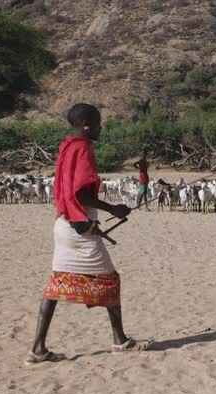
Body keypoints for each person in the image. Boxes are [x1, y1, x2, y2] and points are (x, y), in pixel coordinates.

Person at [27, 103, 151, 363]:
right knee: (110, 280)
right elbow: (81, 193)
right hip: (79, 229)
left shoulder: (67, 145)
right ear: (85, 124)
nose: (100, 127)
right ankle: (120, 341)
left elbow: (69, 191)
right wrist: (113, 208)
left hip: (63, 224)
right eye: (97, 123)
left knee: (55, 286)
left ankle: (38, 348)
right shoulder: (83, 148)